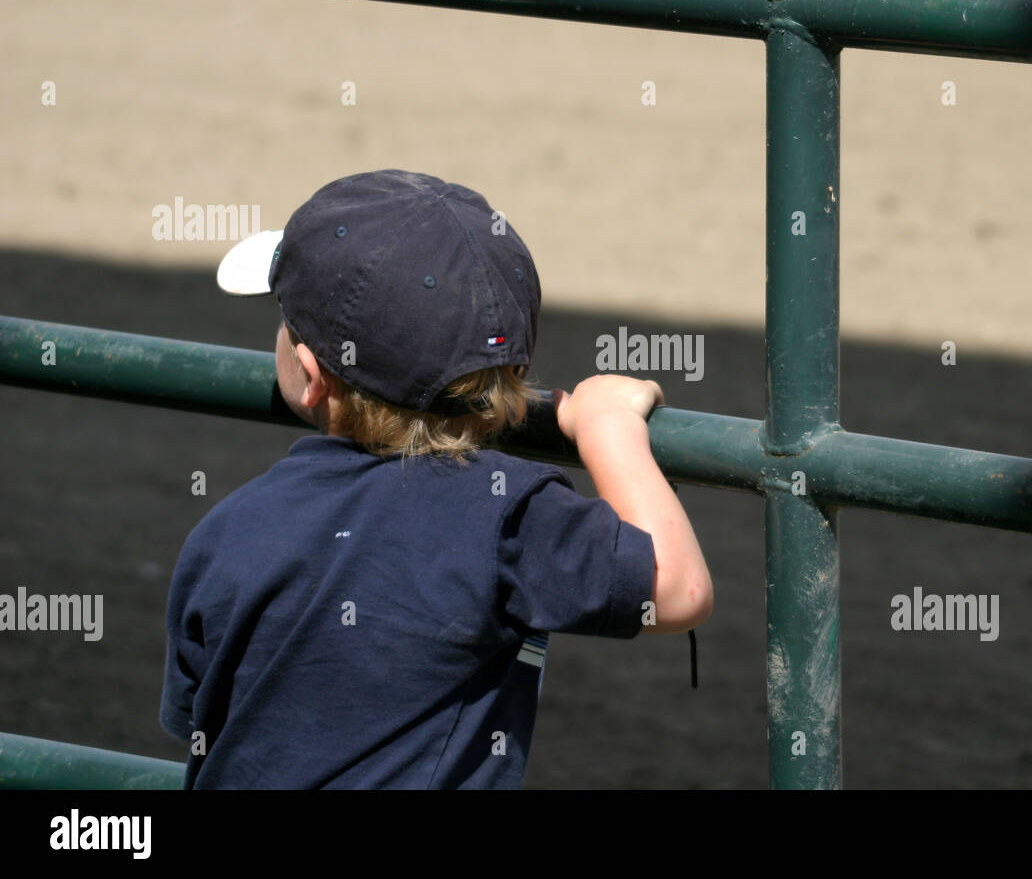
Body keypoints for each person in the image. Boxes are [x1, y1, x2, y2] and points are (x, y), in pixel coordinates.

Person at [160, 169, 712, 788]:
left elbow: (200, 723)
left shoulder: (228, 528)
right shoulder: (506, 517)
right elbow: (677, 589)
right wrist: (609, 430)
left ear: (311, 375)